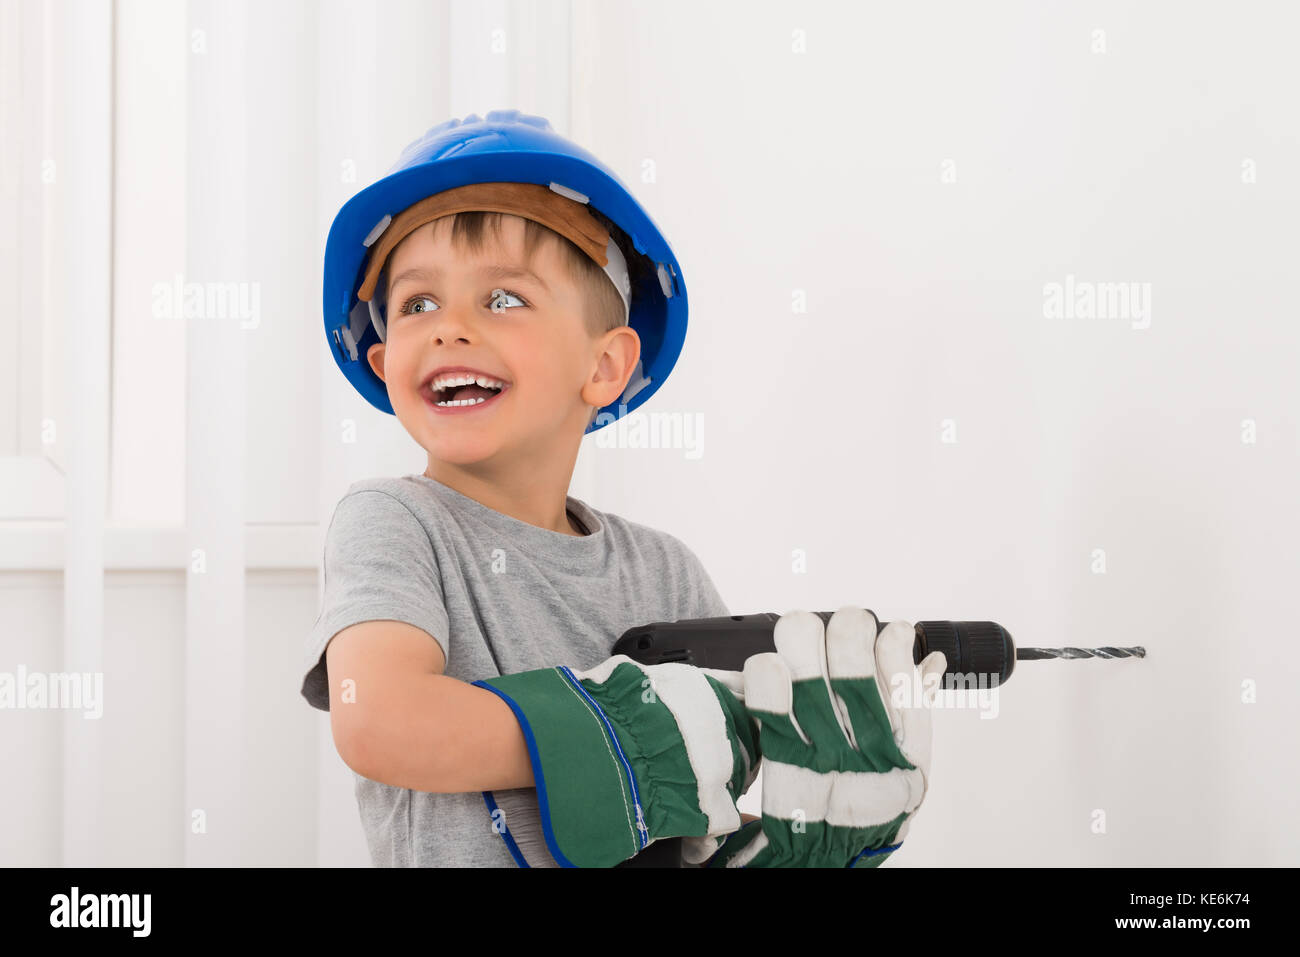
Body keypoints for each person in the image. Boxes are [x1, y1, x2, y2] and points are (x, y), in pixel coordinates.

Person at [299, 111, 759, 867]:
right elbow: (377, 718)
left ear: (605, 366)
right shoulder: (395, 522)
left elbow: (714, 776)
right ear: (383, 364)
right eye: (417, 304)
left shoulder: (665, 571)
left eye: (502, 299)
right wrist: (625, 736)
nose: (448, 328)